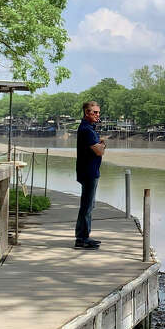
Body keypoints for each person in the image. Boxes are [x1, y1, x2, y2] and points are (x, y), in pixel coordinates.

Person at [74, 100, 106, 250]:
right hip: (89, 172)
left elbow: (96, 146)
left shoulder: (88, 128)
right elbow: (99, 151)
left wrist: (99, 143)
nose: (97, 115)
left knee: (88, 205)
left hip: (89, 171)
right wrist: (103, 144)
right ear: (87, 113)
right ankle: (82, 239)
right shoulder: (87, 129)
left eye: (98, 112)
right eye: (95, 112)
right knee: (87, 206)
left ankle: (84, 237)